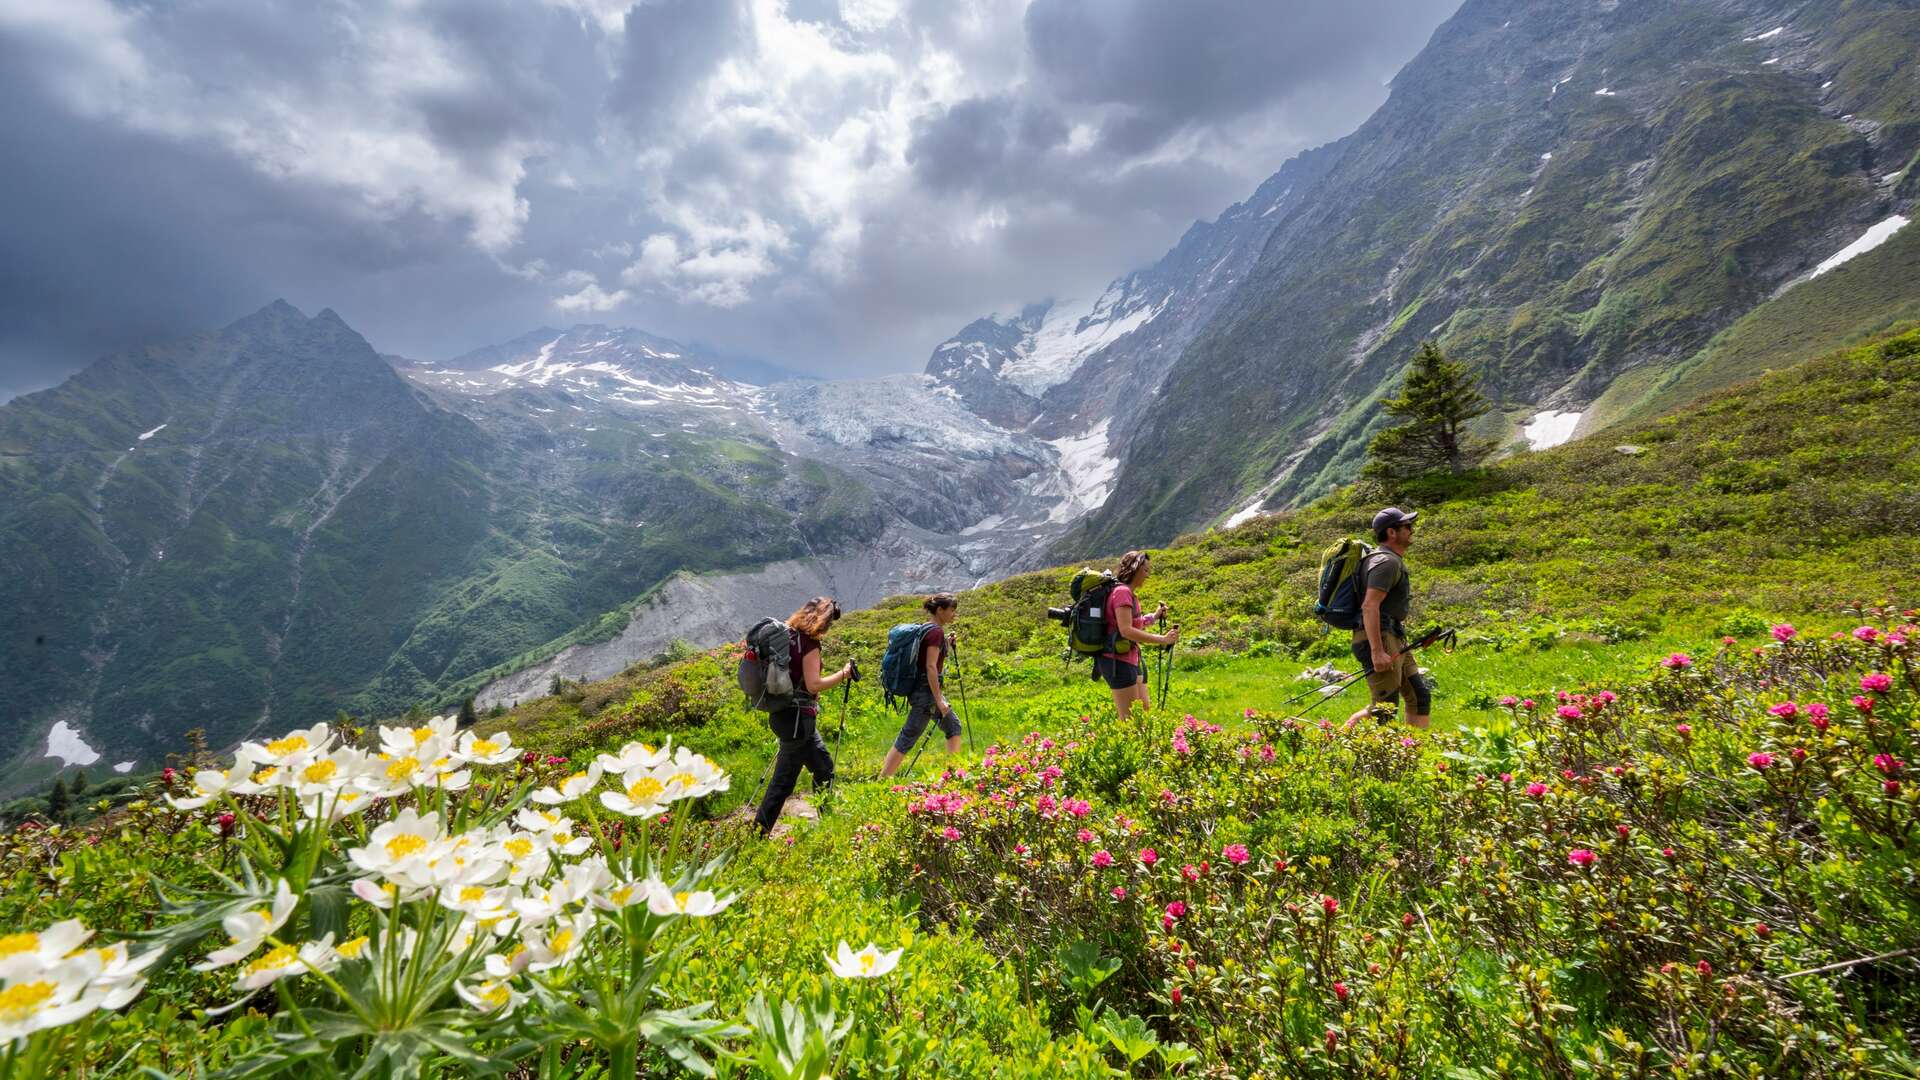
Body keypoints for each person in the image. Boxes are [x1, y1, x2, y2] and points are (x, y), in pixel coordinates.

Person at [754, 596, 855, 835]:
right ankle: (757, 834)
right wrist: (844, 674)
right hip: (799, 720)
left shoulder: (785, 636)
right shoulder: (809, 644)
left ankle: (828, 819)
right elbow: (813, 685)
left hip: (784, 714)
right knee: (783, 782)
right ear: (823, 620)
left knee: (823, 767)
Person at [1348, 507, 1431, 729]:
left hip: (1394, 636)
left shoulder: (1388, 560)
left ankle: (1417, 750)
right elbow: (1370, 606)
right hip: (1380, 639)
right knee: (1384, 708)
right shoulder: (1386, 562)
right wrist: (1377, 651)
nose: (1411, 530)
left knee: (1419, 696)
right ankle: (1342, 739)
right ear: (1392, 532)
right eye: (1407, 527)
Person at [879, 594, 963, 777]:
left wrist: (946, 644)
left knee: (954, 727)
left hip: (921, 690)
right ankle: (882, 780)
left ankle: (953, 776)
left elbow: (928, 658)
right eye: (951, 610)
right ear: (940, 610)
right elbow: (931, 667)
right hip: (927, 693)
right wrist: (939, 700)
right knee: (908, 736)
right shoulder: (935, 632)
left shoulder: (927, 629)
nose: (954, 614)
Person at [1096, 550, 1178, 722]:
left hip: (1131, 657)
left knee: (1144, 708)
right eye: (1146, 570)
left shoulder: (1129, 593)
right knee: (1130, 719)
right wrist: (1162, 639)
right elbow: (1126, 630)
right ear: (1135, 569)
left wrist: (1154, 617)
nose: (1148, 575)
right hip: (1116, 662)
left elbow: (1133, 622)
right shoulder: (1122, 592)